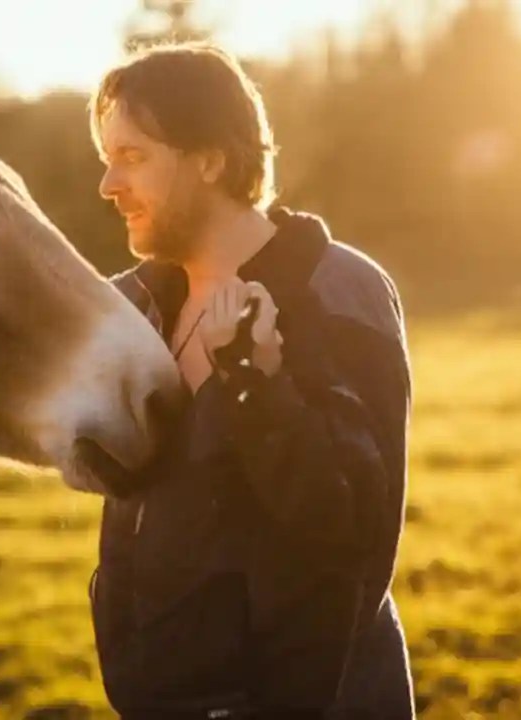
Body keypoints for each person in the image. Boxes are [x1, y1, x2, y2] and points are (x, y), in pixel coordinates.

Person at [86, 42, 415, 719]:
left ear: (209, 158)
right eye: (106, 159)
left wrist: (256, 388)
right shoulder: (129, 308)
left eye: (133, 157)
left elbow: (354, 532)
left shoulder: (339, 291)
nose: (108, 185)